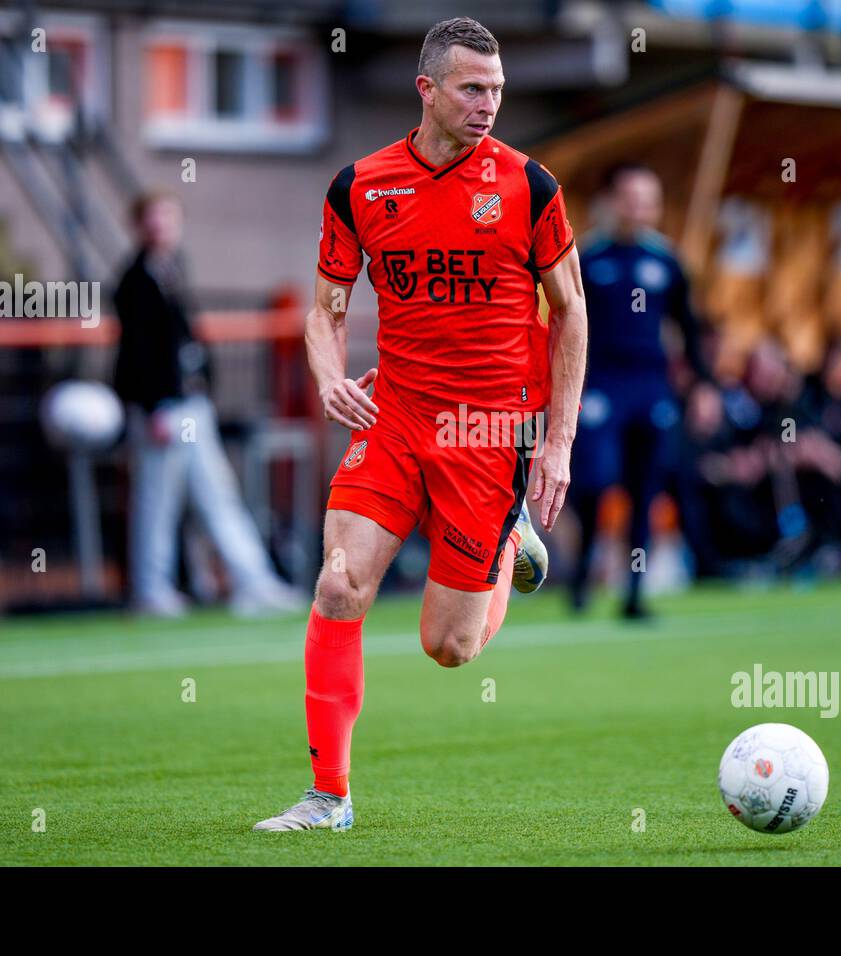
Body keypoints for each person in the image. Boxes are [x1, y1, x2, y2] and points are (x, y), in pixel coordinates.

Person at [253, 17, 586, 832]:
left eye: (498, 90)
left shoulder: (529, 185)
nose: (489, 105)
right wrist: (332, 379)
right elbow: (326, 310)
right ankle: (328, 797)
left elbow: (571, 311)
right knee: (338, 581)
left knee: (449, 647)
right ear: (427, 89)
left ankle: (508, 544)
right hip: (396, 414)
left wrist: (557, 441)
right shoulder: (359, 186)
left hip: (490, 430)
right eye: (473, 89)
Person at [112, 191, 302, 618]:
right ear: (140, 226)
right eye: (154, 218)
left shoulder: (172, 270)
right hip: (164, 410)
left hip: (190, 405)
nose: (162, 227)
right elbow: (138, 354)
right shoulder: (135, 281)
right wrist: (155, 405)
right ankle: (151, 589)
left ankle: (252, 579)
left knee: (218, 495)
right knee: (156, 501)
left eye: (169, 218)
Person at [568, 163, 713, 618]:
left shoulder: (667, 260)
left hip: (651, 385)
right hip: (600, 385)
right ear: (612, 201)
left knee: (645, 488)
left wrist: (704, 386)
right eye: (631, 198)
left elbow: (689, 329)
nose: (640, 209)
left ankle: (633, 593)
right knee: (592, 480)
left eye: (648, 200)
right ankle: (584, 571)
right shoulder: (588, 258)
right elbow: (563, 327)